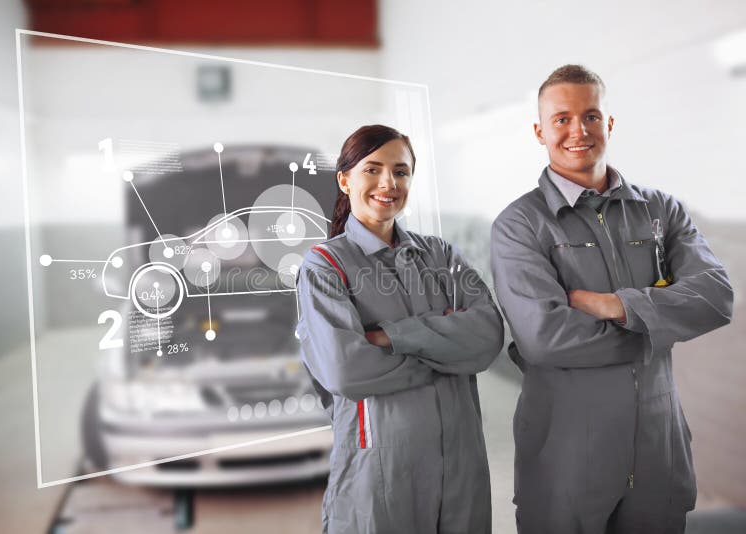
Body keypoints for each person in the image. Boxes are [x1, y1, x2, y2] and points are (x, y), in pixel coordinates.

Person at [490, 64, 734, 534]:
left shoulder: (661, 210)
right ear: (540, 131)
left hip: (658, 454)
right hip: (567, 456)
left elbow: (717, 296)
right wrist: (658, 327)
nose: (578, 131)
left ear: (609, 123)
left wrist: (617, 306)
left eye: (591, 116)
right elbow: (545, 338)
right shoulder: (520, 225)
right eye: (561, 119)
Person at [295, 124, 504, 533]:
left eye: (401, 171)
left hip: (462, 467)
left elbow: (489, 336)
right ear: (345, 180)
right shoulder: (324, 266)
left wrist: (393, 337)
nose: (388, 183)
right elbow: (345, 370)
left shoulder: (440, 254)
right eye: (372, 169)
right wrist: (446, 356)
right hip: (381, 472)